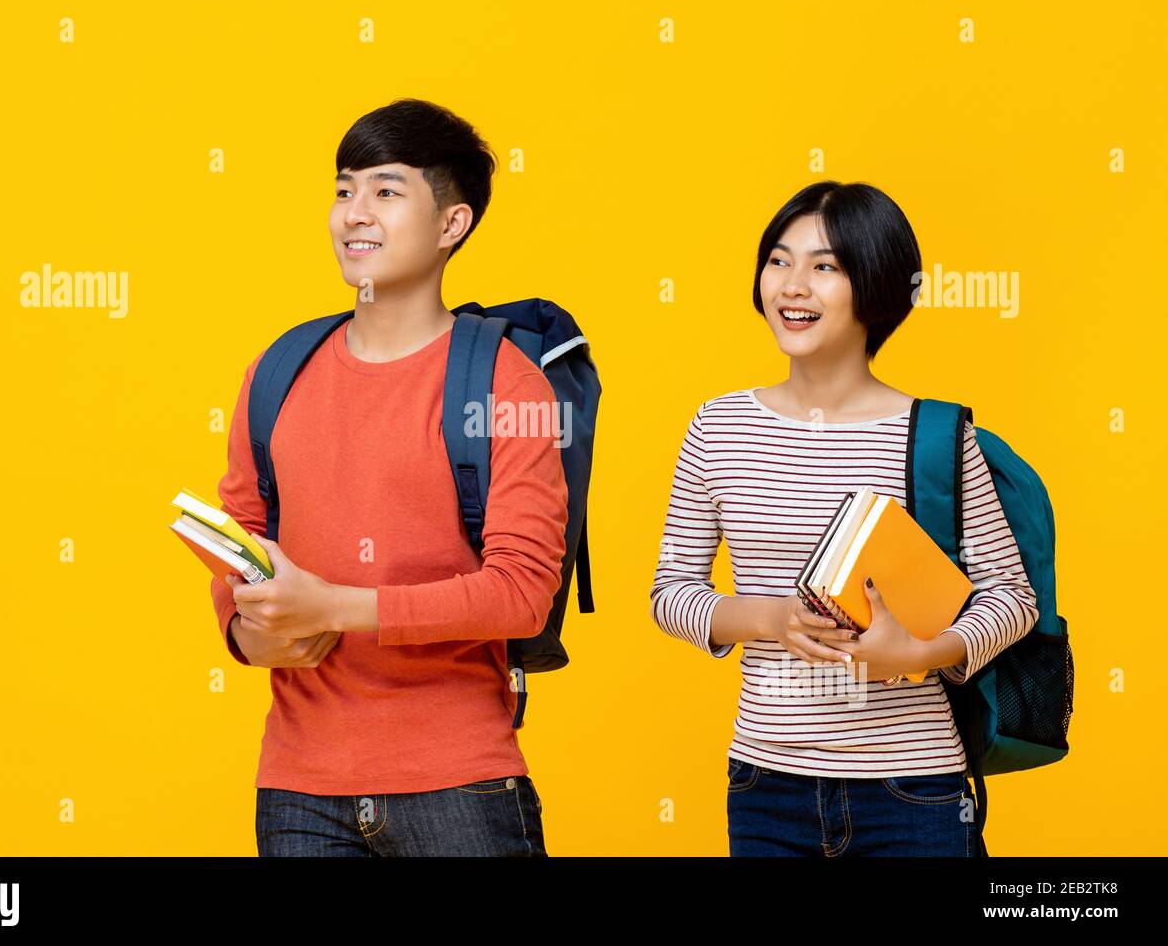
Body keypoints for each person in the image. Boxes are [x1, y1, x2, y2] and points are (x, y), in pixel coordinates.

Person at [209, 99, 568, 856]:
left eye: (386, 189)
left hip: (460, 790)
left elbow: (523, 593)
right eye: (343, 190)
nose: (353, 213)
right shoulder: (276, 372)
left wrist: (333, 604)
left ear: (451, 224)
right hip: (298, 790)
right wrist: (248, 634)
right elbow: (239, 534)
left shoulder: (509, 383)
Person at [648, 181, 1039, 857]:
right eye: (779, 259)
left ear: (877, 286)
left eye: (825, 266)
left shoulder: (936, 436)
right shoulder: (718, 427)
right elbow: (670, 591)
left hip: (913, 787)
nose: (793, 285)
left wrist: (922, 653)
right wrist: (768, 618)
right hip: (764, 787)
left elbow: (1013, 596)